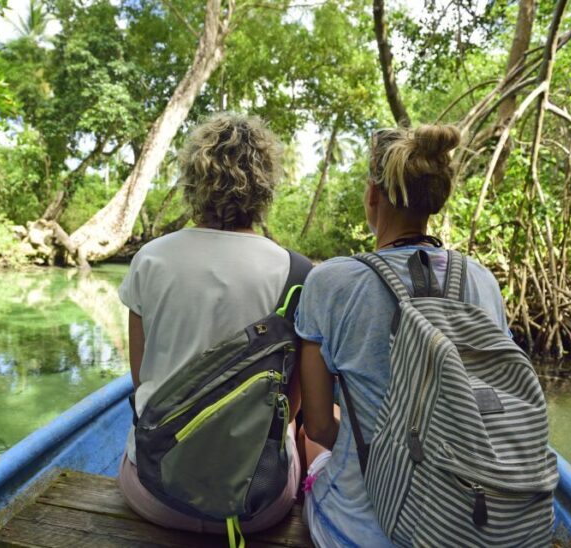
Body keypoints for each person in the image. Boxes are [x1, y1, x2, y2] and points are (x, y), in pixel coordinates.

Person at [296, 125, 510, 547]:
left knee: (307, 439)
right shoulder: (482, 282)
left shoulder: (332, 282)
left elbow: (319, 425)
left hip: (354, 533)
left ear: (373, 194)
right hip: (460, 527)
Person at [117, 112, 302, 533]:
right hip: (257, 505)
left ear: (193, 179)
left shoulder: (151, 258)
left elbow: (140, 377)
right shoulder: (295, 272)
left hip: (155, 493)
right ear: (265, 185)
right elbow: (290, 409)